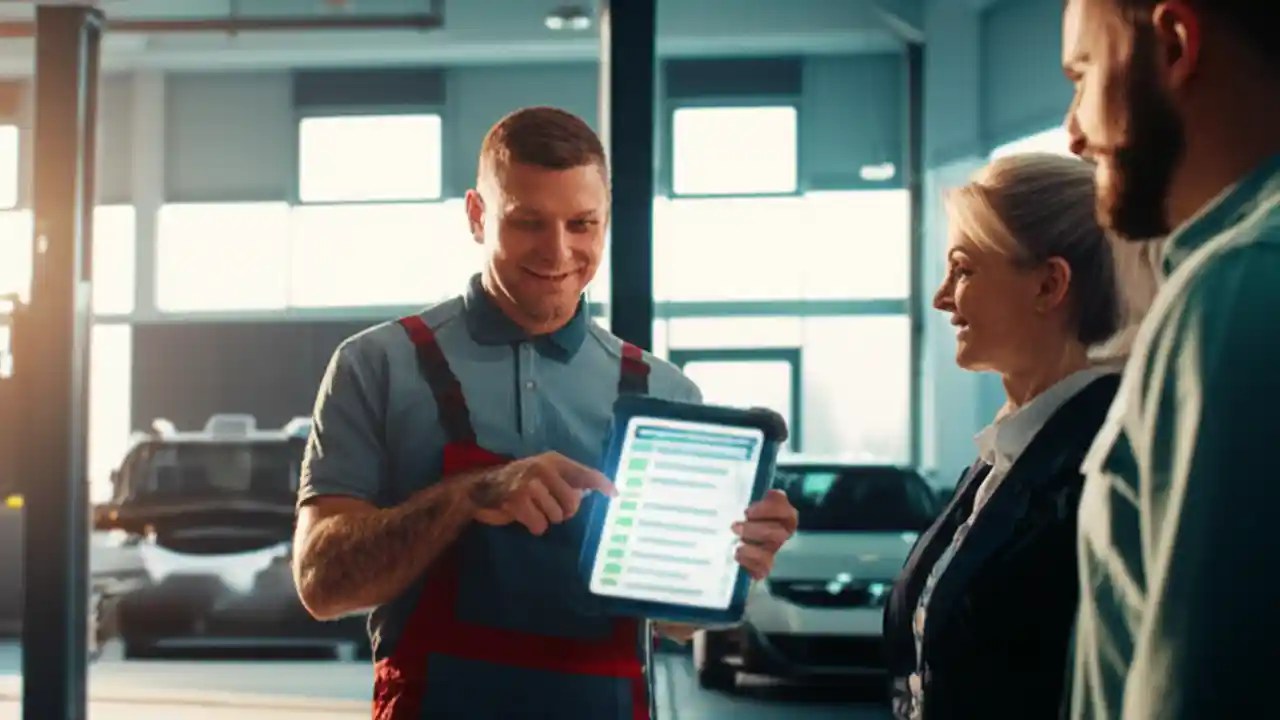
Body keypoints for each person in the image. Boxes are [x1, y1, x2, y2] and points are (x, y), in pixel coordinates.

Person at [289, 106, 800, 719]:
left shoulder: (665, 392)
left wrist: (733, 565)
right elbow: (321, 583)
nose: (559, 252)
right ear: (478, 216)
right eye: (528, 222)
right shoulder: (378, 365)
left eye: (583, 224)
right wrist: (468, 496)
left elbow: (671, 624)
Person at [1061, 1, 1280, 717]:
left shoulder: (1237, 287)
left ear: (1176, 44)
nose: (1073, 134)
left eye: (1083, 73)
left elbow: (1204, 691)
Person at [883, 153, 1124, 720]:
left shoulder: (1100, 463)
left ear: (1049, 284)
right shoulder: (1004, 456)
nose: (943, 297)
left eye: (963, 269)